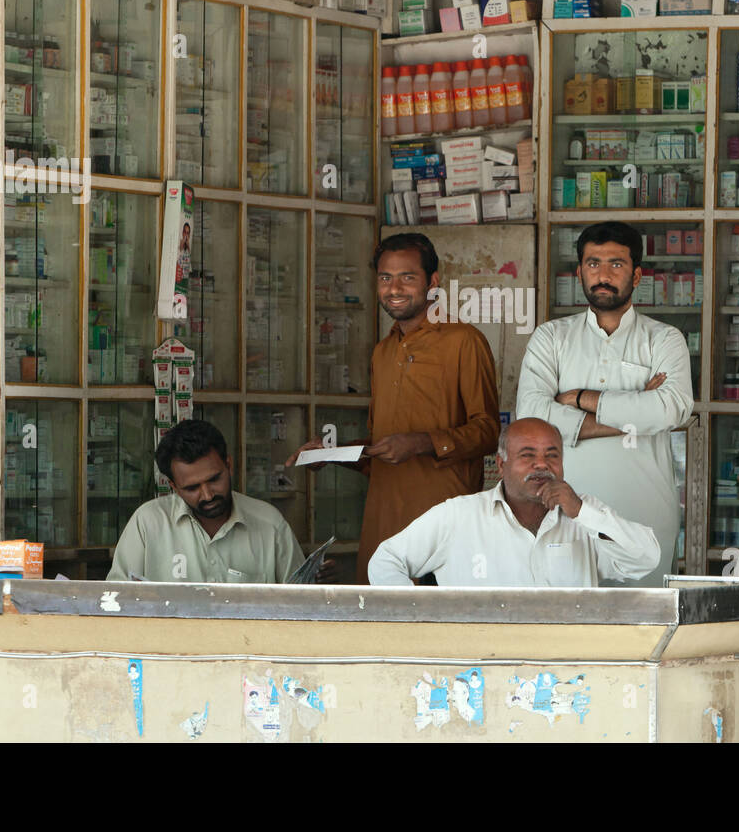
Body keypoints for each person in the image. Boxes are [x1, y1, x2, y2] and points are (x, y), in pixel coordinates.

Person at [287, 233, 500, 583]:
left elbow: (488, 432)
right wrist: (332, 454)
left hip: (443, 527)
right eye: (385, 278)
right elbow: (382, 449)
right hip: (385, 527)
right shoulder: (383, 351)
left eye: (407, 277)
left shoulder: (463, 340)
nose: (394, 288)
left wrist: (422, 442)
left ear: (432, 282)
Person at [515, 221, 692, 586]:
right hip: (562, 512)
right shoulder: (552, 338)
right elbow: (532, 414)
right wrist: (638, 406)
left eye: (616, 264)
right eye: (593, 264)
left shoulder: (664, 339)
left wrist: (581, 399)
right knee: (569, 626)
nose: (603, 275)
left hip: (645, 514)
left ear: (637, 274)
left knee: (643, 628)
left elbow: (672, 409)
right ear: (579, 271)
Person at [367, 418, 659, 587]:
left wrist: (583, 512)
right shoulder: (459, 516)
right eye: (527, 455)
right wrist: (426, 618)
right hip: (480, 674)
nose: (541, 465)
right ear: (501, 463)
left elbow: (646, 558)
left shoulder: (583, 515)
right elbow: (385, 560)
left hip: (565, 674)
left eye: (552, 455)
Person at [108, 419, 305, 583]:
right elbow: (117, 598)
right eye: (192, 488)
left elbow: (302, 602)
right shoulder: (148, 523)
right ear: (174, 486)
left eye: (214, 479)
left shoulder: (269, 524)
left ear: (228, 465)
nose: (208, 495)